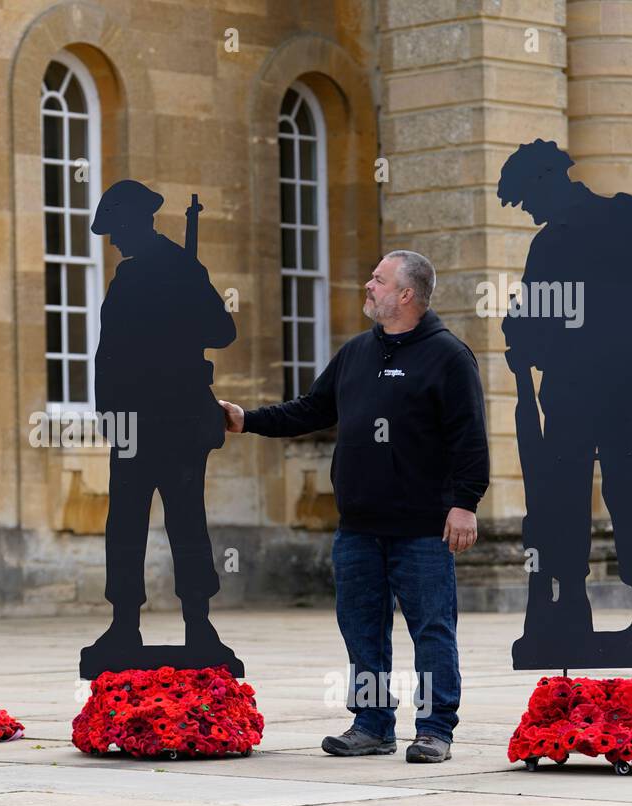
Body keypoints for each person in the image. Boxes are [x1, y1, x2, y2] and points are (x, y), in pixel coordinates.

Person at [221, 251, 488, 762]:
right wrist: (246, 420)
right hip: (358, 528)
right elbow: (312, 410)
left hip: (422, 529)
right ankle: (372, 724)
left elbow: (469, 439)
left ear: (406, 295)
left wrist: (465, 505)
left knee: (432, 629)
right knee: (363, 630)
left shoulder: (449, 357)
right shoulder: (357, 353)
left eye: (378, 280)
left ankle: (435, 729)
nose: (367, 285)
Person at [497, 139, 632, 668]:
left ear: (546, 181)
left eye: (527, 199)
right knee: (567, 497)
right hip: (578, 385)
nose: (529, 212)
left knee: (626, 491)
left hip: (606, 380)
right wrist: (525, 328)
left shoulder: (621, 215)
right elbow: (543, 314)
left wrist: (530, 325)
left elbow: (610, 287)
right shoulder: (565, 237)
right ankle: (572, 609)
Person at [79, 180, 241, 678]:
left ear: (135, 223)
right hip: (132, 419)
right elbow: (109, 354)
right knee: (124, 525)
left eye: (115, 231)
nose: (112, 242)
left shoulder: (183, 269)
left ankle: (199, 623)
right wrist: (108, 413)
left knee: (186, 523)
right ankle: (124, 622)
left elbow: (222, 332)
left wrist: (192, 301)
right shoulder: (128, 277)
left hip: (176, 418)